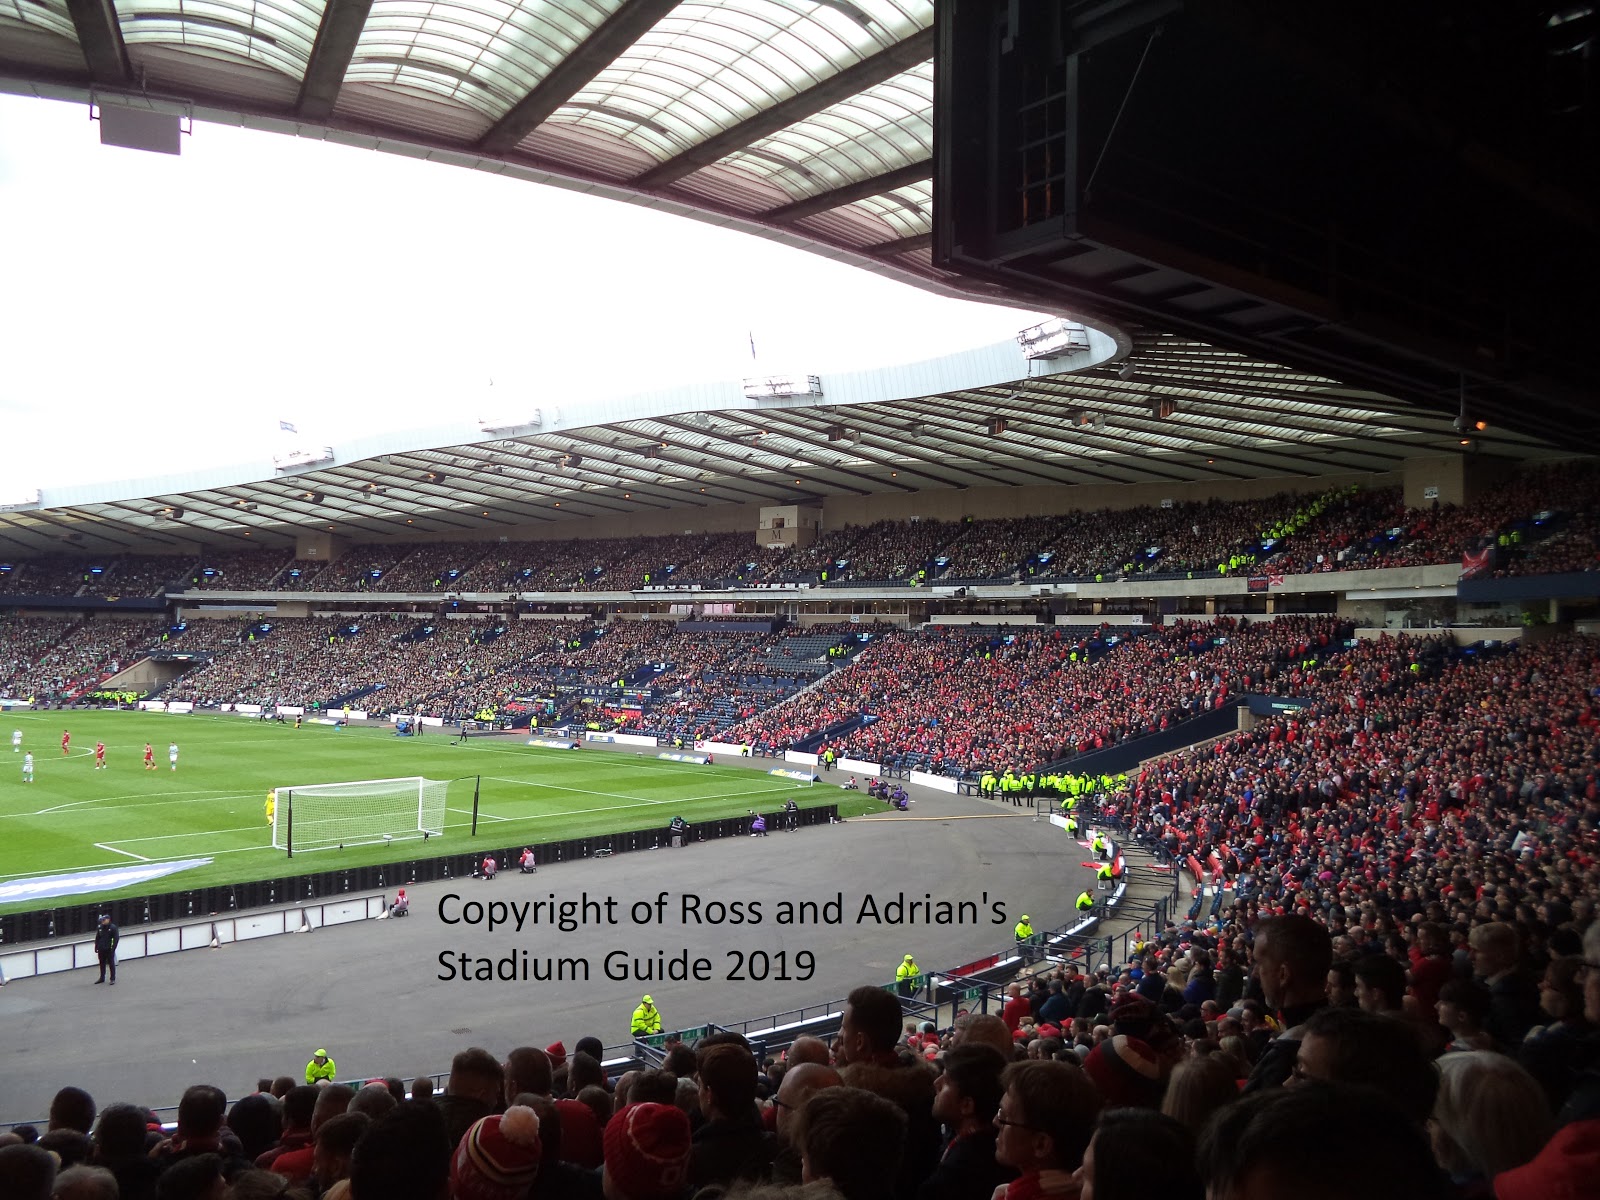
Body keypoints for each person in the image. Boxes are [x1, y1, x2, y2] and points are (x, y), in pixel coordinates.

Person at [93, 915, 118, 986]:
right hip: (101, 949)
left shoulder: (113, 928)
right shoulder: (100, 927)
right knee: (102, 963)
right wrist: (96, 946)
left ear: (108, 920)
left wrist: (113, 949)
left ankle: (112, 978)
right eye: (102, 920)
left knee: (111, 963)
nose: (102, 921)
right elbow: (97, 938)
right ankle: (102, 977)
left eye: (104, 920)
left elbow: (116, 939)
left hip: (109, 949)